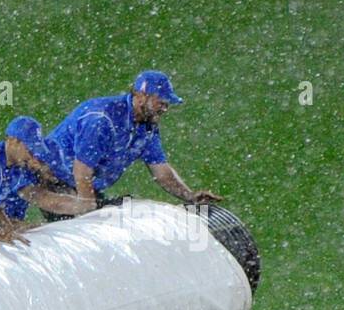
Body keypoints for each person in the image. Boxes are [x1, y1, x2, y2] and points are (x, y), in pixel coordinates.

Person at [44, 70, 222, 215]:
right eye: (161, 102)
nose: (165, 109)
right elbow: (81, 169)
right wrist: (87, 206)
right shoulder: (102, 120)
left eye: (167, 104)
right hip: (54, 180)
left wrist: (190, 196)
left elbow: (161, 172)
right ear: (141, 96)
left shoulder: (147, 127)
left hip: (81, 184)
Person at [0, 116, 84, 234]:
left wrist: (85, 203)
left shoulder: (19, 165)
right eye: (29, 149)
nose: (32, 156)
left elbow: (41, 197)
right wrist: (16, 227)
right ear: (13, 141)